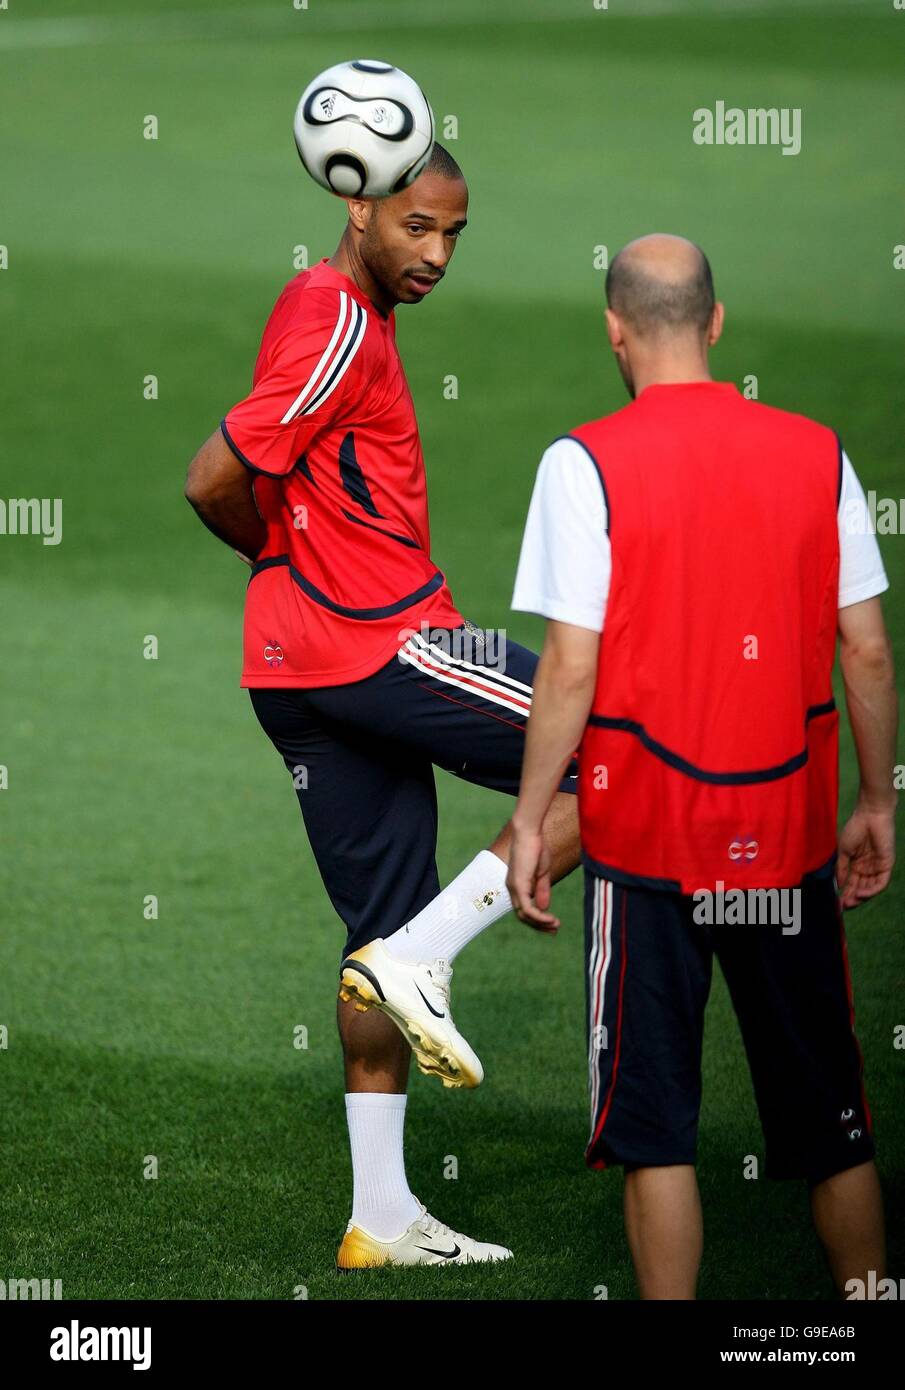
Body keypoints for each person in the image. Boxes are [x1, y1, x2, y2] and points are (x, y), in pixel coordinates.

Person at [184, 144, 582, 1269]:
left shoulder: (331, 302)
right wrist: (302, 575)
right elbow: (213, 474)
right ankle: (430, 952)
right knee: (620, 746)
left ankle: (380, 1214)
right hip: (379, 640)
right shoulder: (338, 324)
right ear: (357, 208)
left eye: (454, 233)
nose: (438, 254)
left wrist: (290, 582)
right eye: (418, 228)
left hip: (300, 671)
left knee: (378, 940)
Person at [506, 233, 897, 1299]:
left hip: (642, 852)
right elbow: (862, 645)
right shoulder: (817, 452)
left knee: (654, 1129)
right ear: (716, 323)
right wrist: (873, 800)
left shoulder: (579, 462)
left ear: (613, 329)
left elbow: (569, 666)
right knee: (832, 1125)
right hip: (782, 842)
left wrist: (533, 822)